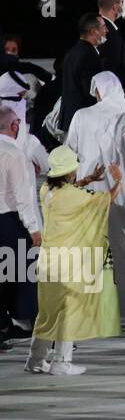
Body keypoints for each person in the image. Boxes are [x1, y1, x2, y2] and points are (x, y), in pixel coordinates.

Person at [65, 73, 125, 327]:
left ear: (99, 92)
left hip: (88, 196)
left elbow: (70, 153)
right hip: (122, 196)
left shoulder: (81, 117)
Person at [24, 147, 122, 375]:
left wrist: (88, 179)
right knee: (71, 310)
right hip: (69, 262)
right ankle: (61, 361)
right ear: (69, 171)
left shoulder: (46, 190)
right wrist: (118, 180)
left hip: (48, 261)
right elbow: (108, 199)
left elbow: (68, 192)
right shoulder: (73, 195)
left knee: (48, 312)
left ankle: (35, 359)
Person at [0, 105, 41, 342]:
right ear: (14, 126)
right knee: (24, 271)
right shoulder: (14, 154)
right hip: (9, 220)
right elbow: (23, 197)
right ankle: (26, 321)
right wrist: (34, 228)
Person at [57, 13, 106, 133]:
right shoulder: (89, 55)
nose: (106, 30)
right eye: (103, 27)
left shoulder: (72, 52)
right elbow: (91, 91)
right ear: (94, 32)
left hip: (69, 119)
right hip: (83, 124)